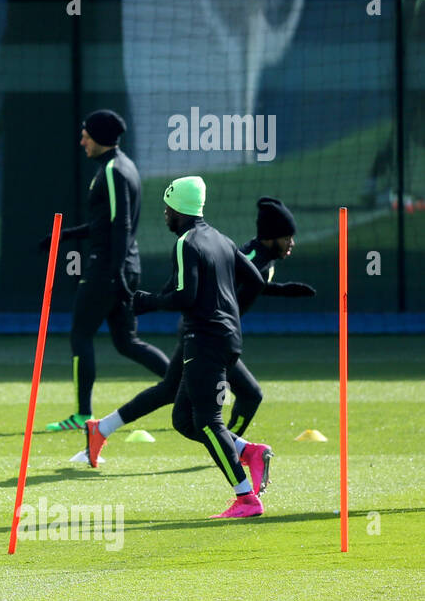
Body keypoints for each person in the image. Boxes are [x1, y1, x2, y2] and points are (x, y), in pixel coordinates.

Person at [79, 196, 316, 475]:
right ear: (271, 236)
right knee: (250, 394)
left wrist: (282, 289)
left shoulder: (264, 258)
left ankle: (102, 429)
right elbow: (222, 279)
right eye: (288, 237)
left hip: (213, 333)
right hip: (207, 334)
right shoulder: (252, 255)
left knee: (171, 391)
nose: (292, 244)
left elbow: (248, 282)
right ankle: (235, 449)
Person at [123, 177, 268, 518]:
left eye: (167, 208)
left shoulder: (186, 243)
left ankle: (246, 498)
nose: (165, 214)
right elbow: (257, 280)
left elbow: (186, 296)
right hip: (224, 339)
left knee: (206, 421)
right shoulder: (220, 238)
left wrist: (150, 302)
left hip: (205, 341)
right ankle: (250, 451)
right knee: (184, 421)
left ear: (177, 209)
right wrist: (228, 309)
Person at [44, 110, 170, 432]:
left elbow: (122, 224)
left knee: (80, 335)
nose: (82, 139)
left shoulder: (114, 170)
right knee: (127, 342)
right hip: (123, 266)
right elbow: (107, 223)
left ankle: (82, 415)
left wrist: (114, 273)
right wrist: (67, 236)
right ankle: (185, 388)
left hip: (108, 269)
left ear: (99, 137)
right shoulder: (119, 166)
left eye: (86, 134)